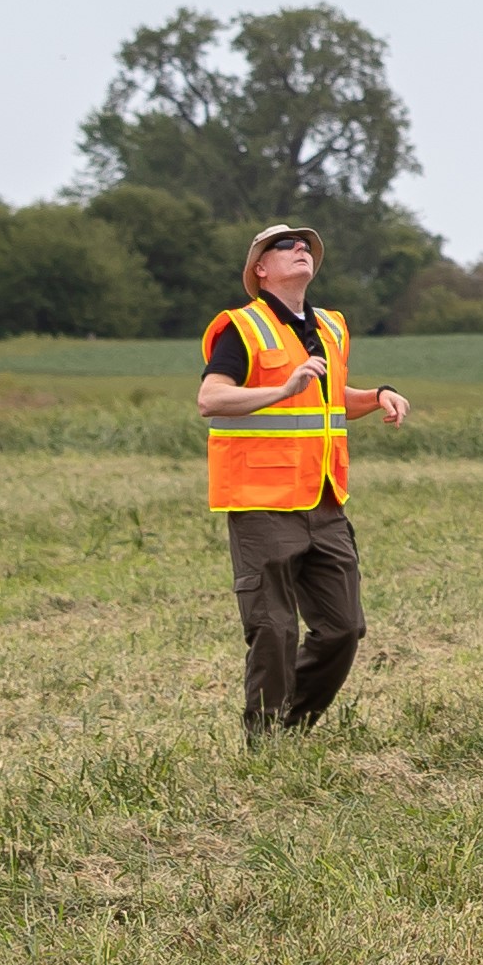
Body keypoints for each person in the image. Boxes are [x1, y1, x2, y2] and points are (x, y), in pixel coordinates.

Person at [198, 223, 408, 732]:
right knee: (273, 629)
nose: (300, 249)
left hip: (324, 500)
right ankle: (265, 742)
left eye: (306, 245)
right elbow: (211, 399)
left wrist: (377, 394)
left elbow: (330, 399)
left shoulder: (331, 327)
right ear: (261, 269)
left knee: (343, 629)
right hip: (260, 500)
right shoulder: (240, 328)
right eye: (285, 245)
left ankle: (292, 724)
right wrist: (280, 390)